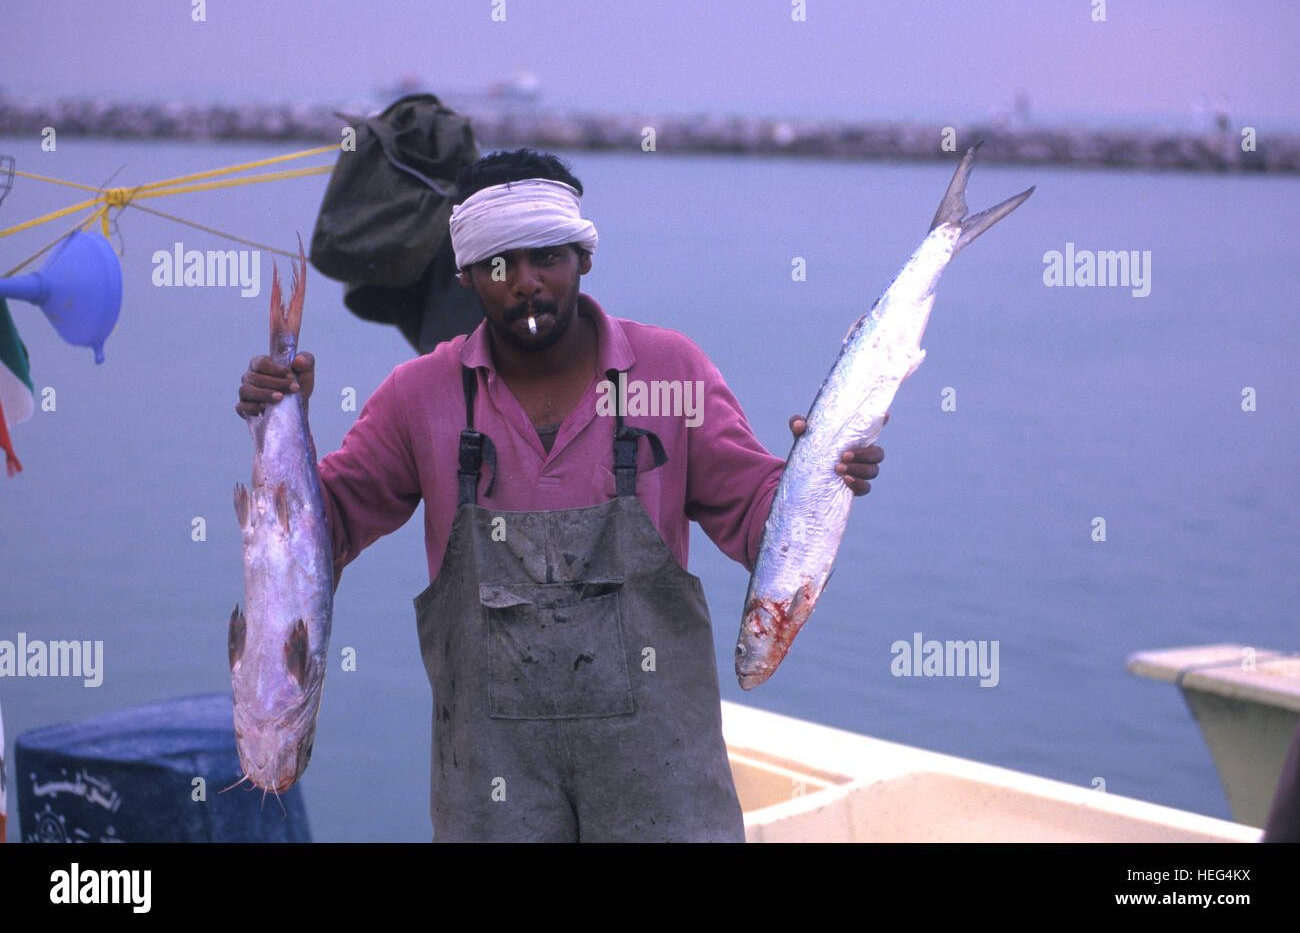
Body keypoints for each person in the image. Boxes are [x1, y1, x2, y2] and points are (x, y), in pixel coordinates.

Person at [236, 149, 885, 841]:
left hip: (661, 787)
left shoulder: (671, 374)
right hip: (489, 792)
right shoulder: (417, 397)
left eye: (547, 256)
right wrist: (281, 422)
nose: (524, 283)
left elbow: (762, 522)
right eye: (497, 264)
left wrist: (822, 474)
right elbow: (317, 537)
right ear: (464, 276)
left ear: (584, 257)